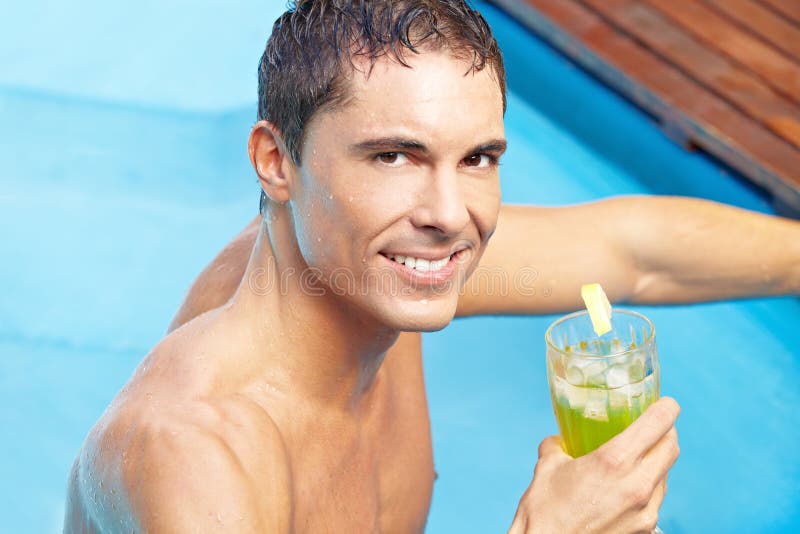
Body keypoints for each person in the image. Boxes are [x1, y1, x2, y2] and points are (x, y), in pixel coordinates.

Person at [64, 1, 799, 532]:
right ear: (275, 161)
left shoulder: (377, 265)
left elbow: (633, 253)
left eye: (477, 158)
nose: (449, 215)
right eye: (393, 155)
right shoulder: (196, 455)